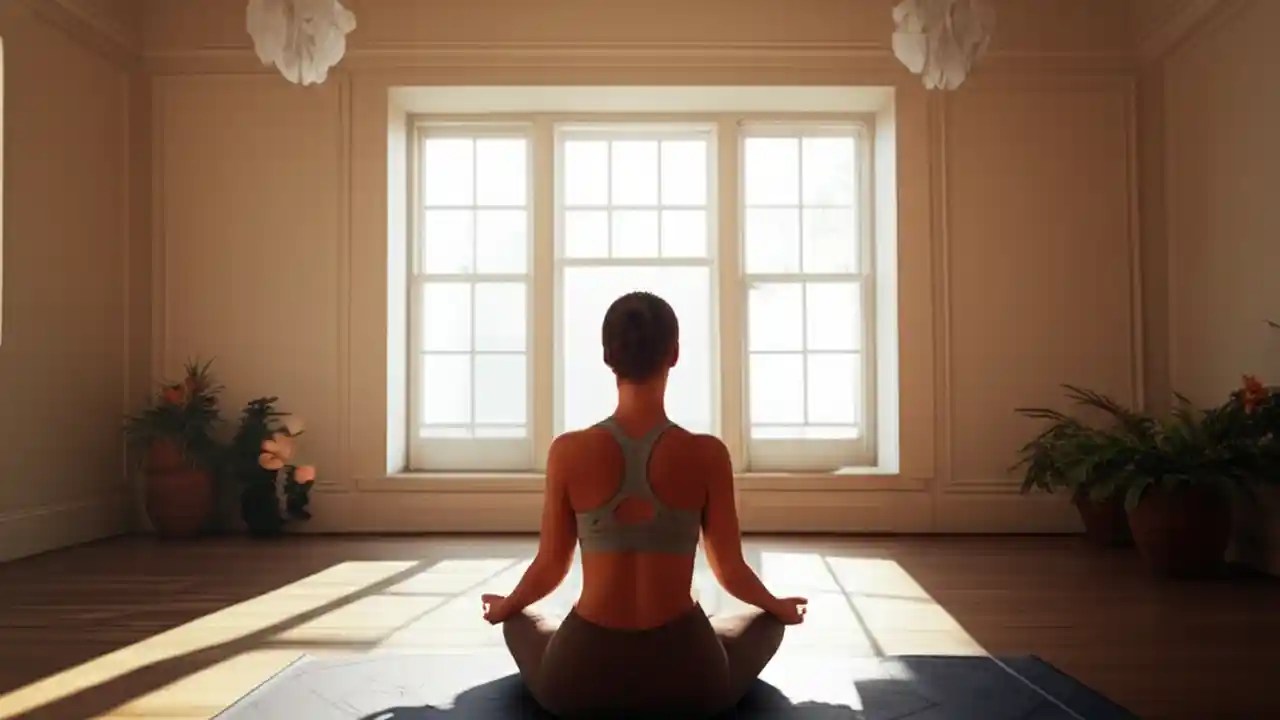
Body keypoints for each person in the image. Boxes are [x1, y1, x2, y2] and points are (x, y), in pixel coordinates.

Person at [480, 291, 808, 719]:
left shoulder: (568, 452)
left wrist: (505, 607)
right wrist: (778, 607)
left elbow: (550, 568)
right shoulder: (707, 454)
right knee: (767, 624)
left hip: (580, 682)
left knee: (519, 623)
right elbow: (731, 571)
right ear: (674, 354)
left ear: (607, 356)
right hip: (690, 681)